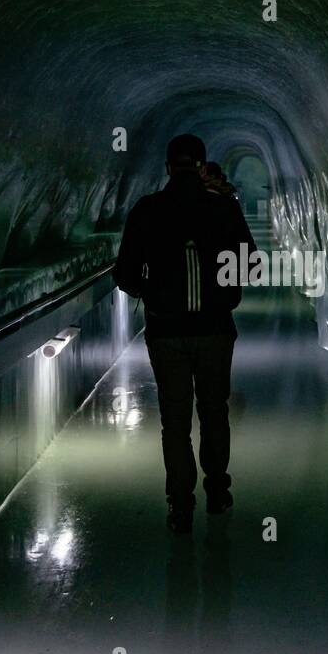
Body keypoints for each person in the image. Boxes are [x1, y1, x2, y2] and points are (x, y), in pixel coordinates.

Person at [113, 134, 256, 532]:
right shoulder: (223, 208)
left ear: (166, 167)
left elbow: (123, 274)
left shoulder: (147, 210)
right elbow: (251, 265)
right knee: (214, 410)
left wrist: (153, 291)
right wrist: (223, 286)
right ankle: (217, 491)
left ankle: (180, 504)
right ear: (202, 166)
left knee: (174, 421)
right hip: (214, 329)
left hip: (166, 332)